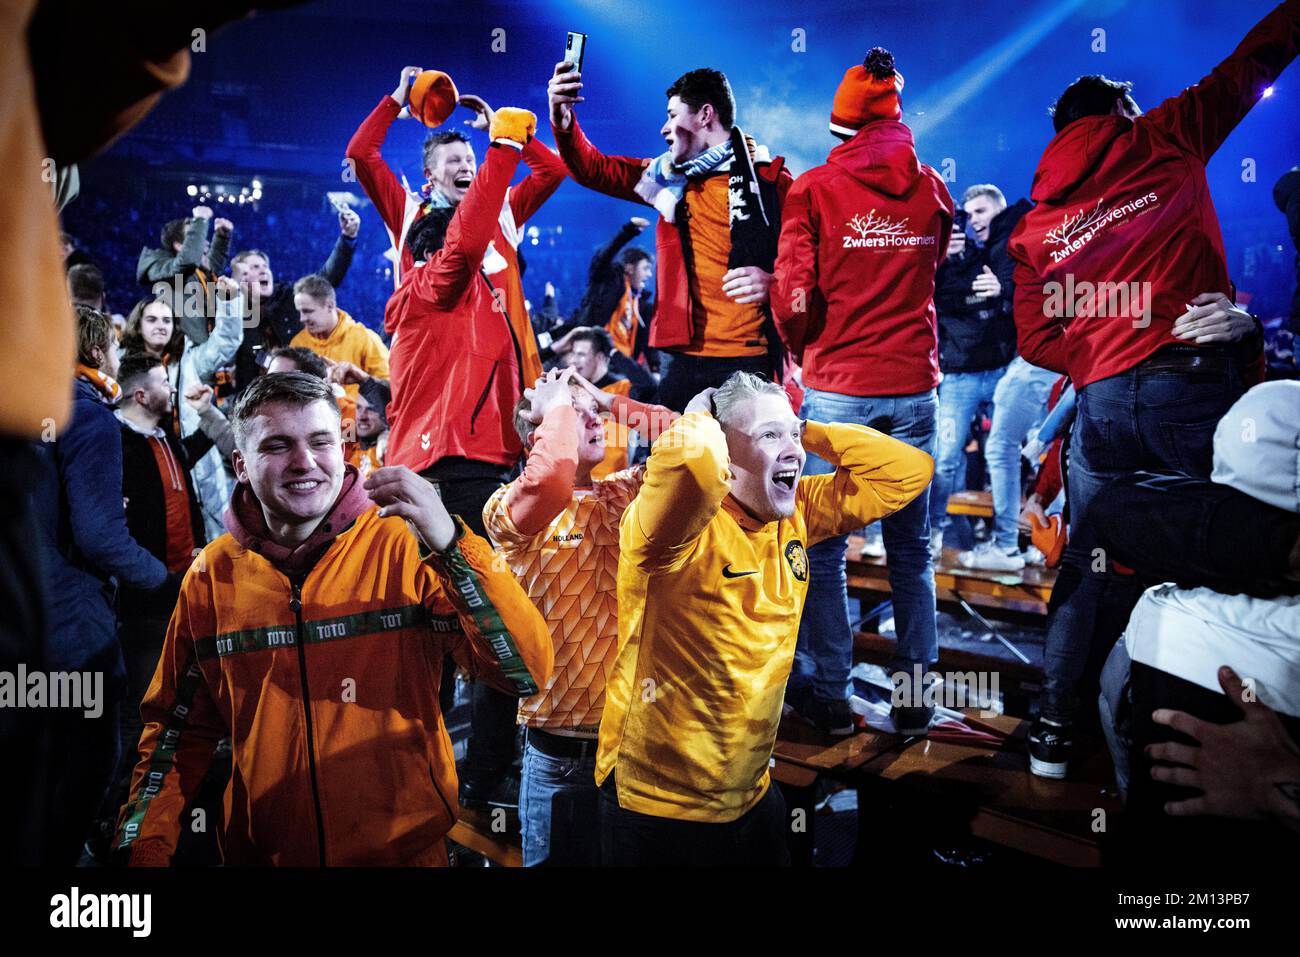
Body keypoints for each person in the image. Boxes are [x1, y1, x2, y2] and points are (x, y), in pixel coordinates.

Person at [1009, 0, 1299, 778]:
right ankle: (1198, 742)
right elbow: (1254, 63)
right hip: (1189, 391)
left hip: (1100, 406)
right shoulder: (1163, 133)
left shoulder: (1039, 222)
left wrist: (1101, 341)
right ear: (1123, 109)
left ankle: (1053, 735)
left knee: (1086, 563)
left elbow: (1036, 338)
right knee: (1213, 548)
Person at [112, 372, 553, 866]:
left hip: (404, 855)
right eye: (278, 445)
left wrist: (453, 544)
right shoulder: (211, 576)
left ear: (342, 449)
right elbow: (175, 734)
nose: (304, 462)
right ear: (240, 464)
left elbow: (523, 672)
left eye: (320, 441)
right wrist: (144, 847)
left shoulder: (407, 545)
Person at [596, 372, 932, 865]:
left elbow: (908, 470)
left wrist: (801, 430)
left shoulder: (798, 512)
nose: (793, 449)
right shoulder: (668, 528)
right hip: (659, 808)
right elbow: (694, 462)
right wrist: (698, 415)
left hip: (752, 794)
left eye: (792, 433)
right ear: (724, 453)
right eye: (769, 436)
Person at [772, 47, 952, 735]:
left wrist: (802, 345)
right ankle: (915, 696)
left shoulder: (813, 188)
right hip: (913, 389)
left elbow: (792, 294)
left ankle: (830, 694)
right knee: (913, 549)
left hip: (840, 390)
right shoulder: (932, 185)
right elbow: (933, 269)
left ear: (840, 127)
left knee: (822, 547)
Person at [384, 104, 544, 809]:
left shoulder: (479, 295)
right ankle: (433, 776)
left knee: (483, 627)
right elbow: (469, 234)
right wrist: (503, 142)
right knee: (449, 629)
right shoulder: (427, 286)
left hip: (476, 466)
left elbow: (548, 179)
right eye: (456, 247)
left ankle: (475, 779)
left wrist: (546, 130)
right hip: (447, 474)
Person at [483, 368, 676, 865]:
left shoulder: (623, 493)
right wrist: (558, 410)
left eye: (587, 411)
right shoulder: (507, 510)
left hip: (636, 752)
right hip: (558, 757)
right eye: (569, 412)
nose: (586, 417)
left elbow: (695, 446)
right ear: (537, 434)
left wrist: (611, 403)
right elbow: (550, 478)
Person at [547, 62, 792, 411]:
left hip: (748, 360)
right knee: (673, 460)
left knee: (744, 466)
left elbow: (816, 262)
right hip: (680, 360)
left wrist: (776, 281)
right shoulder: (665, 179)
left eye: (672, 114)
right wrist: (562, 117)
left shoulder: (771, 182)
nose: (664, 128)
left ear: (705, 115)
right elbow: (593, 169)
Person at [31, 307, 168, 864]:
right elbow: (100, 537)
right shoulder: (87, 416)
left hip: (22, 623)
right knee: (90, 759)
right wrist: (166, 582)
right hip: (74, 630)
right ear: (95, 353)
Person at [346, 67, 568, 387]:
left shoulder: (502, 209)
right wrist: (394, 103)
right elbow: (360, 154)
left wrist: (500, 129)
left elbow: (553, 171)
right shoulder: (409, 214)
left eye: (469, 160)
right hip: (434, 370)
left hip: (503, 372)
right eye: (453, 161)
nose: (465, 166)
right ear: (429, 174)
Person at [91, 354, 231, 857]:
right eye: (163, 385)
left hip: (180, 590)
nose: (171, 391)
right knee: (144, 707)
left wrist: (211, 413)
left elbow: (194, 455)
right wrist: (147, 578)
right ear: (142, 394)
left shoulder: (163, 437)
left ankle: (164, 811)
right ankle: (113, 817)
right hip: (140, 600)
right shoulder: (114, 441)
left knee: (180, 700)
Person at [228, 208, 359, 389]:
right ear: (241, 276)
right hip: (254, 398)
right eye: (255, 267)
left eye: (265, 266)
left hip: (299, 390)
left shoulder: (289, 296)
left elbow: (327, 277)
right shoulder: (231, 313)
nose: (264, 270)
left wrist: (347, 239)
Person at [545, 217, 656, 368]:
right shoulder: (609, 281)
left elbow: (644, 339)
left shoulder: (639, 302)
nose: (649, 274)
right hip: (596, 359)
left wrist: (654, 366)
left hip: (622, 362)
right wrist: (628, 231)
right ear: (629, 268)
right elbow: (602, 258)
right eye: (645, 268)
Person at [136, 206, 232, 345]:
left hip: (204, 349)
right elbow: (188, 260)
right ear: (179, 246)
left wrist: (221, 238)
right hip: (179, 353)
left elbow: (212, 269)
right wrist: (200, 219)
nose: (204, 242)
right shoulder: (162, 267)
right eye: (195, 236)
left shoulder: (196, 271)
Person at [288, 273, 390, 398]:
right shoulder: (297, 343)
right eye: (299, 312)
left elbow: (391, 389)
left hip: (357, 417)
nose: (302, 318)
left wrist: (363, 379)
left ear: (329, 305)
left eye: (307, 311)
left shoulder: (365, 339)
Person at [350, 378, 391, 478]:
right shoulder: (348, 441)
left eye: (371, 409)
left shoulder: (390, 452)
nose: (361, 416)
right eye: (359, 407)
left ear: (388, 413)